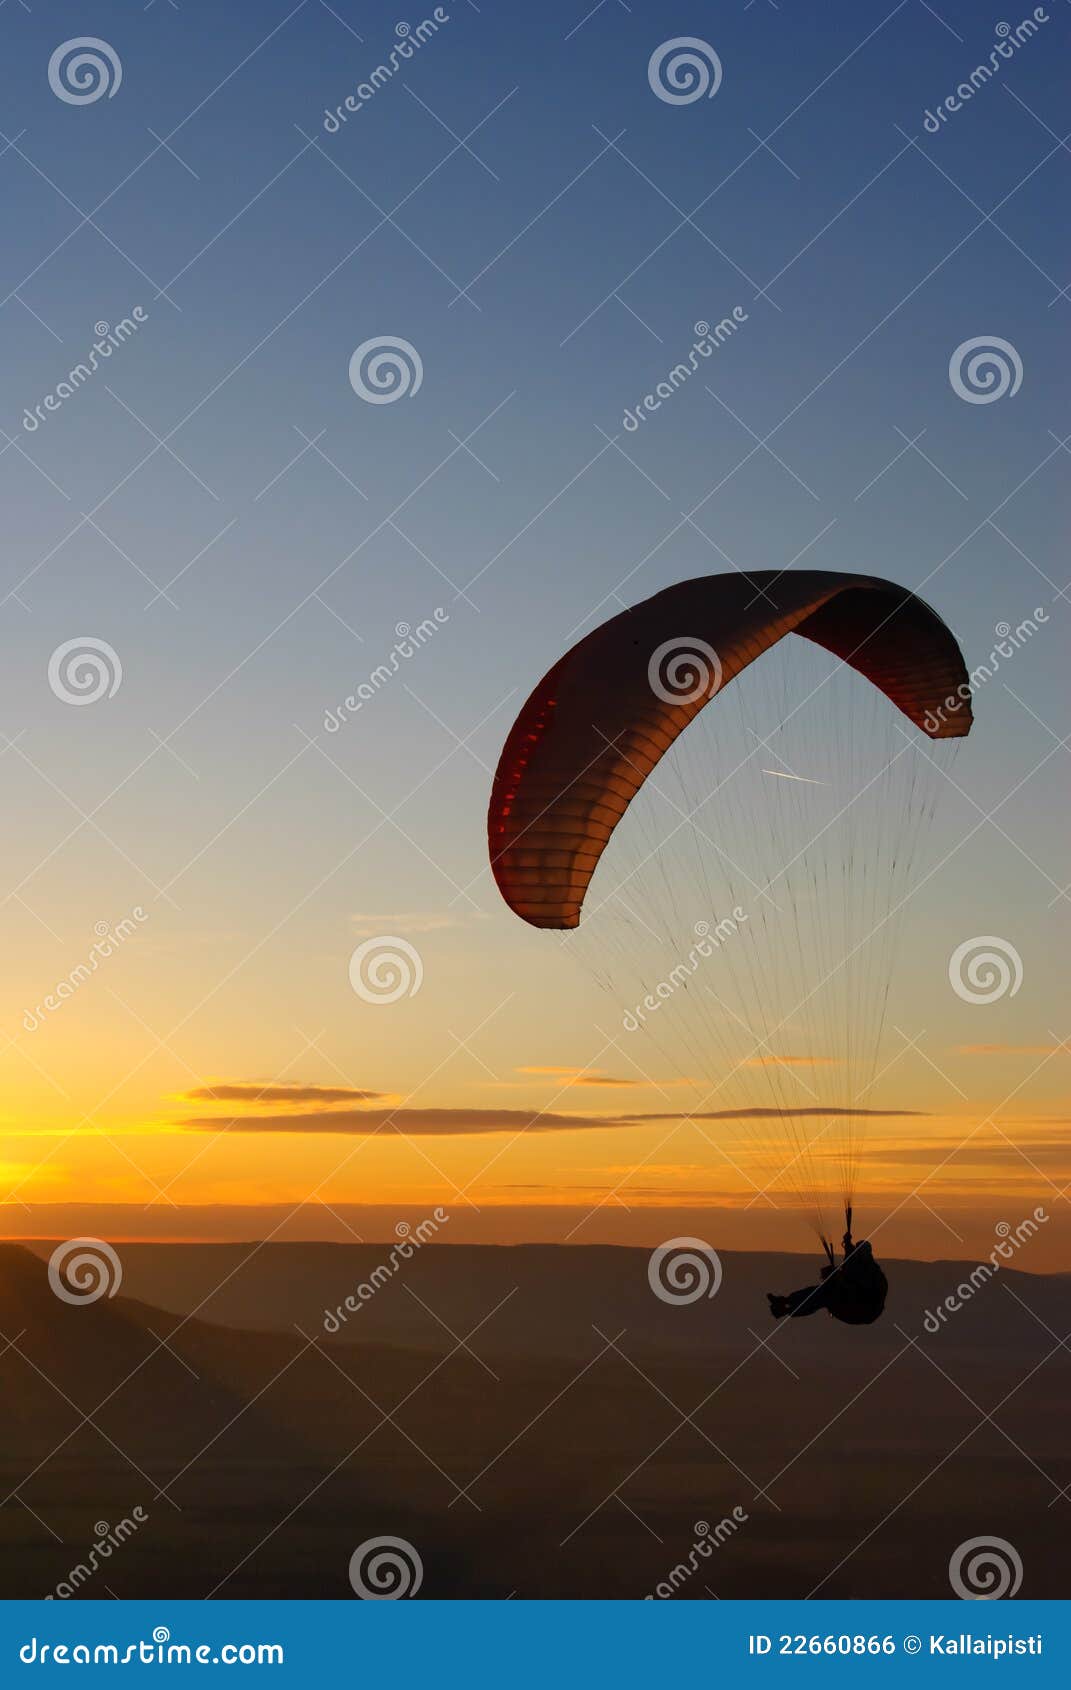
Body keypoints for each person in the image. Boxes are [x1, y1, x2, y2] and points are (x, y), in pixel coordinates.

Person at [767, 1217, 887, 1326]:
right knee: (821, 1291)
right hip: (853, 1306)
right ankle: (785, 1301)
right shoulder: (857, 1264)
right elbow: (850, 1261)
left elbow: (856, 1291)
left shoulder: (873, 1275)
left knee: (823, 1294)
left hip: (859, 1312)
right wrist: (847, 1243)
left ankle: (787, 1309)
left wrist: (836, 1278)